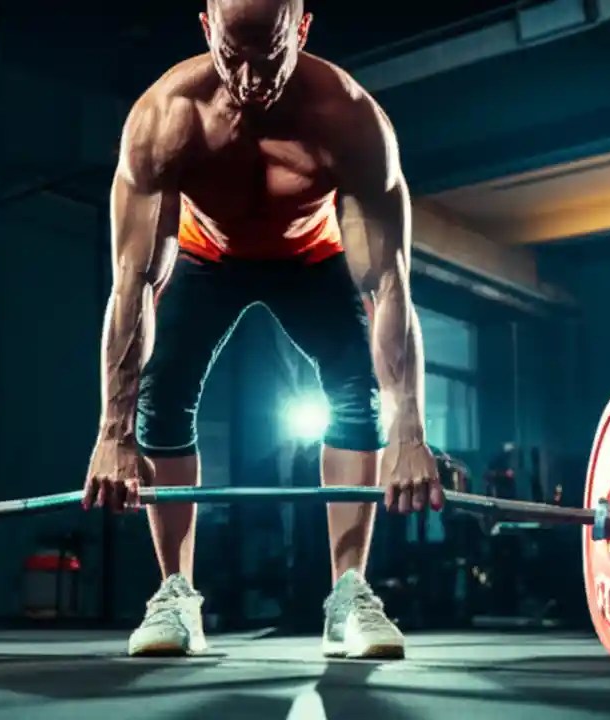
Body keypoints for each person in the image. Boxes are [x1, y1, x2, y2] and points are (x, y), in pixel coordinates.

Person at [82, 0, 443, 659]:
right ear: (204, 30)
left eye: (269, 57)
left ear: (302, 30)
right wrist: (113, 434)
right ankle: (174, 595)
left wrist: (411, 434)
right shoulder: (165, 118)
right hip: (205, 254)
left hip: (311, 256)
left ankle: (350, 592)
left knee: (355, 392)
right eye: (230, 56)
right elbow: (133, 284)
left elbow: (388, 285)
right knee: (160, 402)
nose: (249, 80)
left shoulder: (351, 121)